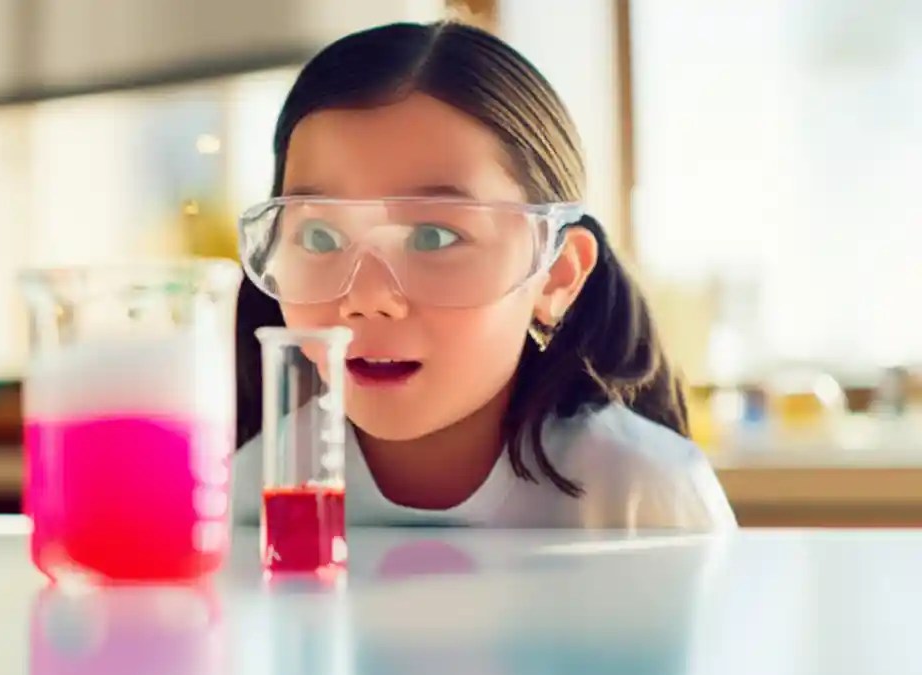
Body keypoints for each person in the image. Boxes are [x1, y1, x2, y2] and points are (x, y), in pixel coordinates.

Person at [232, 21, 736, 531]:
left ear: (556, 274)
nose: (366, 298)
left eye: (433, 237)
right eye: (321, 237)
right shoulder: (246, 498)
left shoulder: (642, 496)